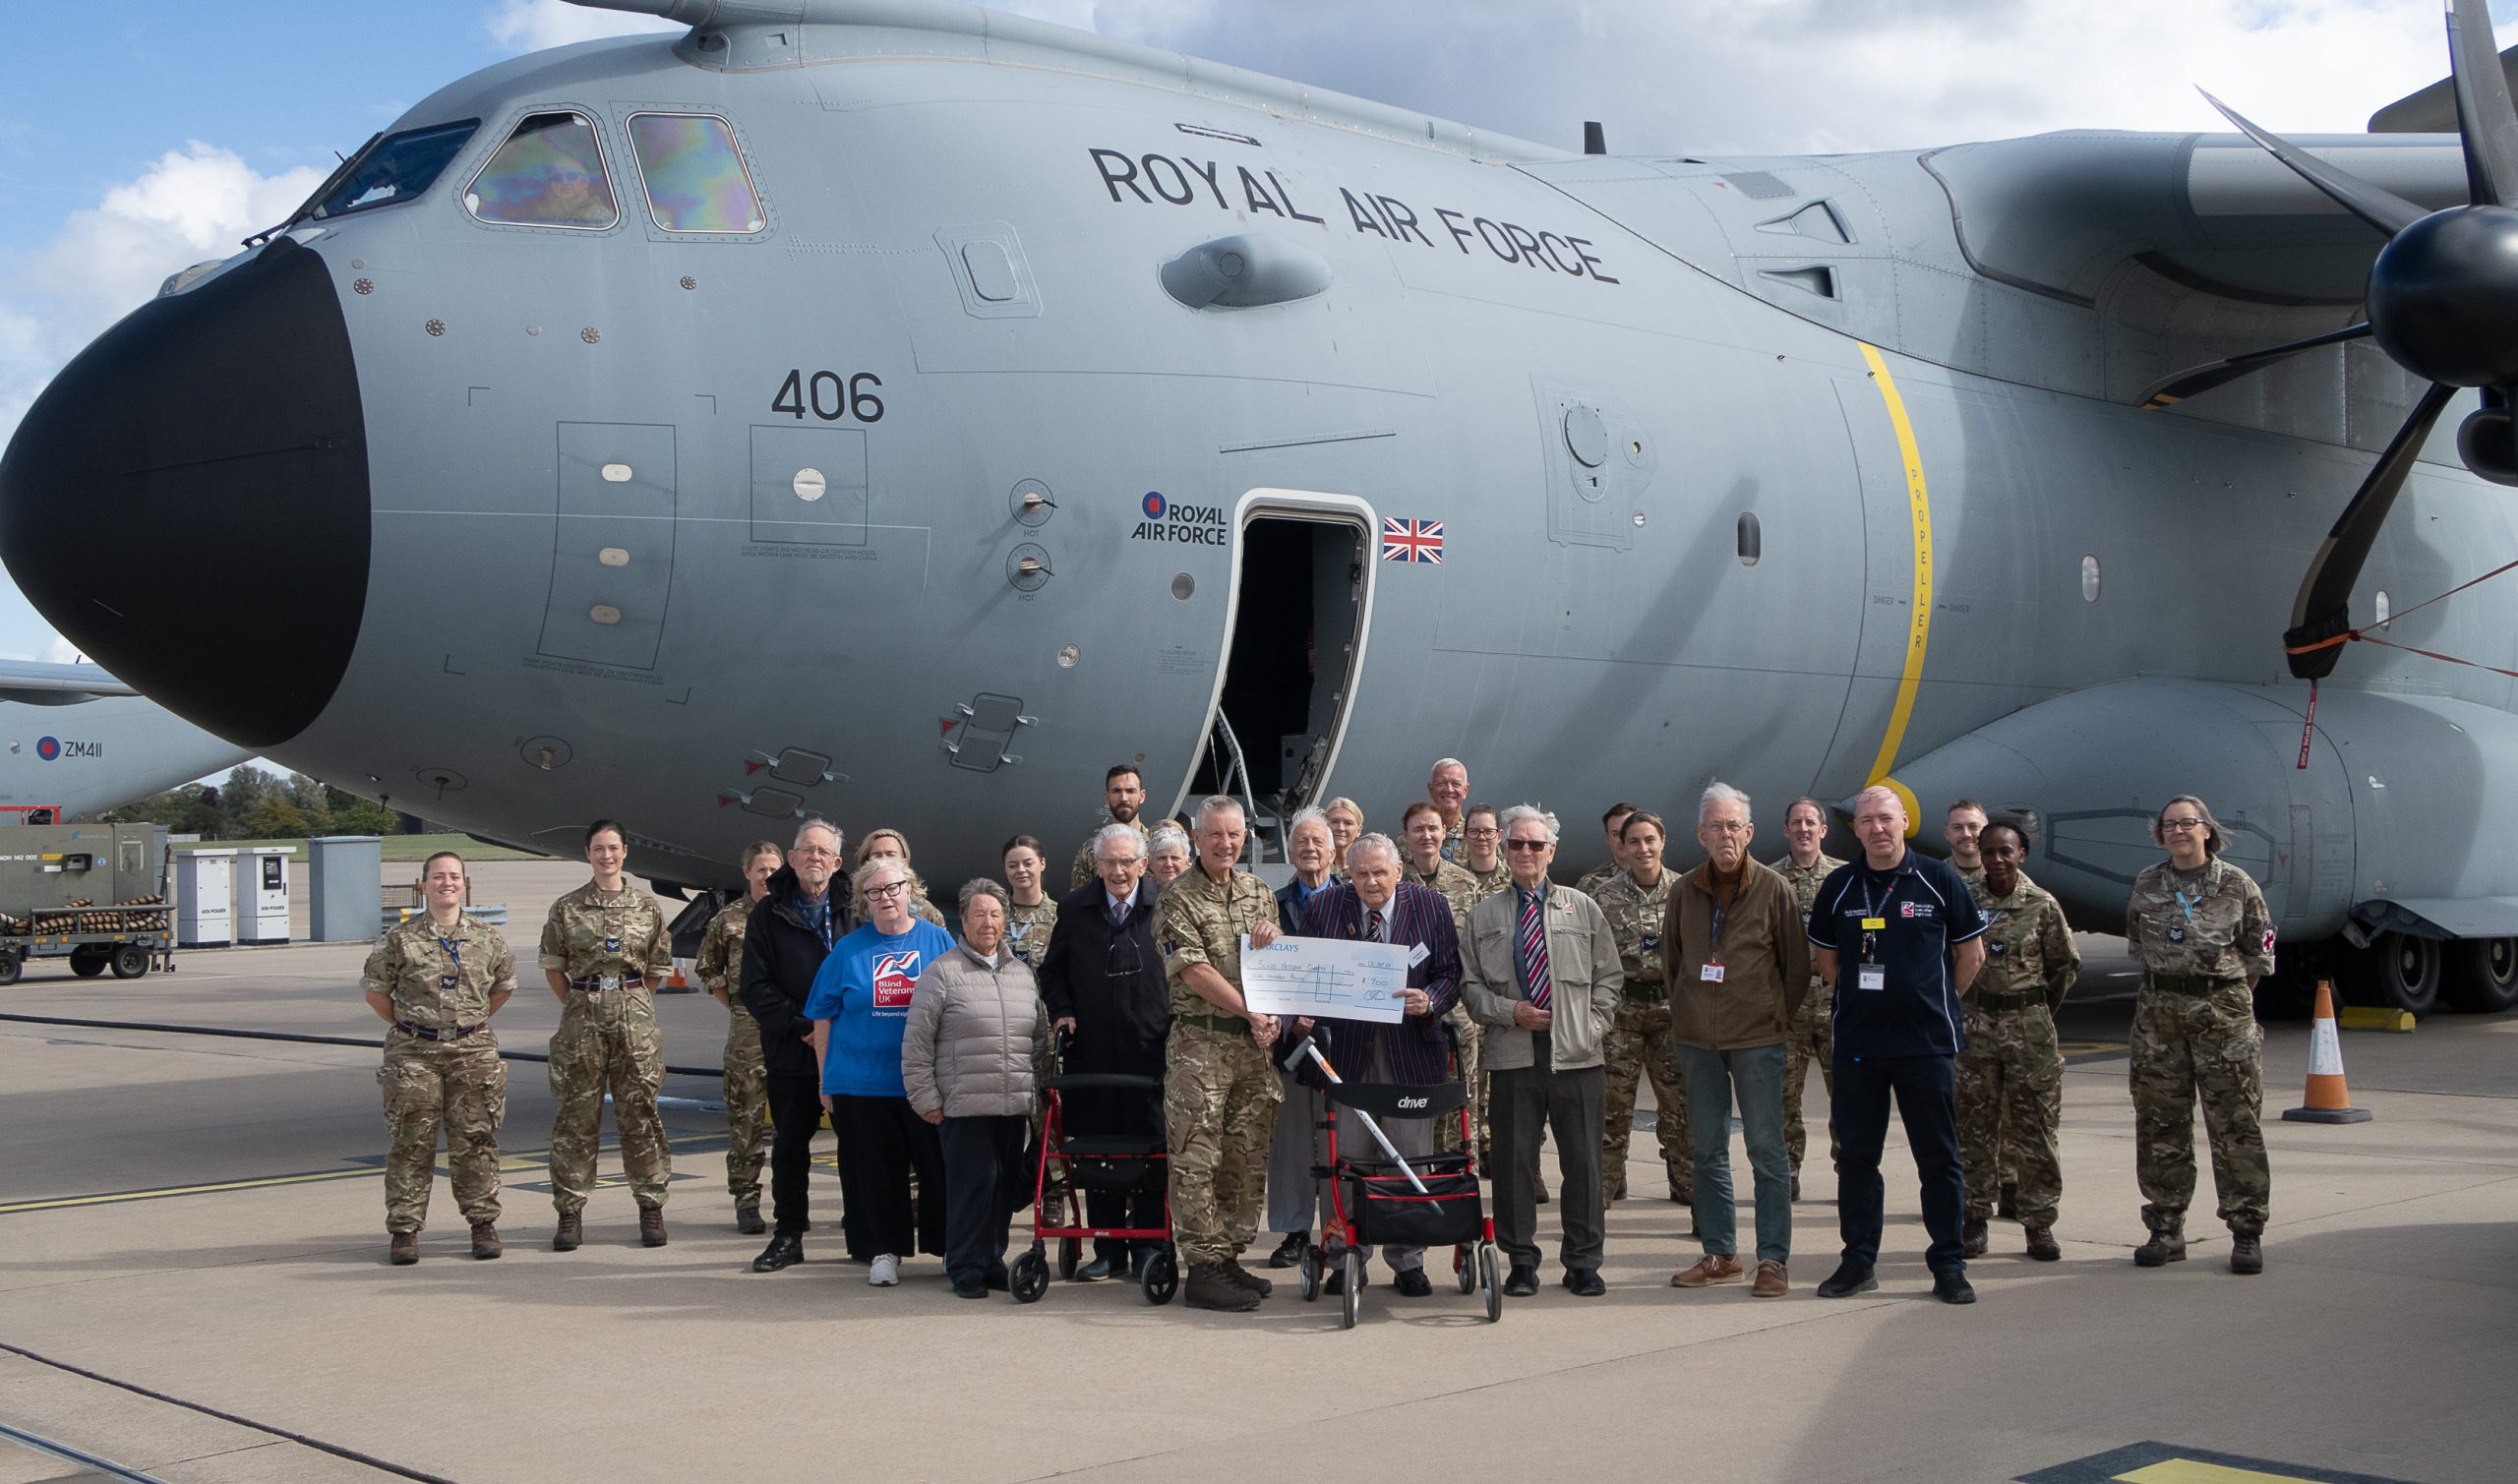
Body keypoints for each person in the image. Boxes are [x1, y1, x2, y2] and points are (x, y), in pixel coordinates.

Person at [1807, 786, 1988, 1304]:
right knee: (1857, 1159)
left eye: (1886, 818)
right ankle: (1858, 1261)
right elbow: (1827, 960)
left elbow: (1971, 953)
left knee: (1939, 1159)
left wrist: (1937, 1000)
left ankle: (1948, 1264)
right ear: (1856, 829)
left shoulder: (1938, 879)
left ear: (1904, 821)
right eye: (1867, 821)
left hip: (1926, 1045)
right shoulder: (1840, 885)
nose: (1877, 829)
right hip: (1859, 1045)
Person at [1461, 804, 1622, 1297]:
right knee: (1513, 1165)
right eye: (1517, 843)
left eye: (1536, 844)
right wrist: (1511, 1011)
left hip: (1576, 1056)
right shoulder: (1483, 915)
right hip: (1514, 1055)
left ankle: (1583, 1262)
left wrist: (1590, 1028)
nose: (1526, 852)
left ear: (1551, 851)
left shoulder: (1582, 907)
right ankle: (1521, 1262)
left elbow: (1609, 977)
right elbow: (1470, 986)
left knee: (1584, 1163)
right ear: (1505, 849)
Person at [1293, 833, 1463, 1296]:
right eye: (1361, 874)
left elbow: (1451, 973)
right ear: (1347, 873)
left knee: (1407, 1157)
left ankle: (1408, 1260)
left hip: (1410, 1051)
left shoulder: (1430, 906)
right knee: (1347, 1159)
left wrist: (1430, 1000)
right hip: (1346, 1055)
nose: (1370, 883)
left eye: (1379, 873)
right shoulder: (1324, 908)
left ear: (1399, 872)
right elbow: (1305, 972)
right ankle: (1346, 1255)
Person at [1662, 786, 1808, 1299]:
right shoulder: (1684, 891)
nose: (1725, 835)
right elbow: (1673, 962)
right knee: (1707, 1151)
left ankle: (1773, 1259)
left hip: (1756, 1040)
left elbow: (1796, 968)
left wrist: (1769, 1015)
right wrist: (1689, 1010)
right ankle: (1721, 1255)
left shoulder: (1774, 889)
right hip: (1697, 1042)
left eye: (1733, 827)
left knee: (1767, 1150)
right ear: (1701, 835)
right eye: (1715, 827)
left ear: (1749, 833)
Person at [2124, 795, 2275, 1276]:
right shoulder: (2147, 883)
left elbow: (2258, 955)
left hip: (2223, 1019)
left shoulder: (2237, 885)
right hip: (2159, 1021)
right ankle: (2166, 1229)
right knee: (2160, 1126)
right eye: (2169, 825)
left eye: (2188, 823)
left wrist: (2219, 998)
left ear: (2207, 830)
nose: (2179, 831)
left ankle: (2246, 1231)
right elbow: (2138, 944)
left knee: (2235, 1125)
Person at [1152, 796, 1288, 1312]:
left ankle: (1227, 1256)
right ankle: (1202, 1267)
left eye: (1234, 834)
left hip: (1252, 1050)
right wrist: (1251, 1012)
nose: (1225, 843)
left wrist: (1277, 943)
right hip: (1201, 1047)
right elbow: (1193, 971)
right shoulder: (1176, 899)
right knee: (1197, 1156)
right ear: (1196, 839)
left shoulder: (1259, 893)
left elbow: (1276, 966)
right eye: (1215, 834)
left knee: (1244, 1155)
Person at [809, 856, 955, 1286]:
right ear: (864, 900)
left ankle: (949, 1248)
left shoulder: (938, 940)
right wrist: (825, 1078)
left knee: (939, 1169)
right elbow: (822, 1016)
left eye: (893, 888)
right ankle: (884, 1252)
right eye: (874, 892)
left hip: (924, 1083)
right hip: (862, 1084)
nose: (886, 898)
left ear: (910, 890)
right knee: (877, 1173)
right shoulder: (847, 950)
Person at [363, 851, 513, 1265]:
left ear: (465, 884)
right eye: (438, 877)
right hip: (414, 1052)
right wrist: (414, 1027)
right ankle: (405, 1230)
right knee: (411, 1141)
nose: (447, 883)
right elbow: (376, 992)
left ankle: (482, 1223)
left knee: (476, 1139)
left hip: (472, 1050)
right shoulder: (399, 940)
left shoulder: (487, 938)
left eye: (454, 876)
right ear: (423, 885)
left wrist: (466, 1024)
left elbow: (503, 987)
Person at [901, 879, 1050, 1299]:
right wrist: (925, 1098)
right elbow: (916, 1044)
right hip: (963, 1105)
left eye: (996, 914)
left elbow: (1038, 1038)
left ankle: (991, 1259)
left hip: (1012, 1103)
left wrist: (1035, 1090)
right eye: (979, 914)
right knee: (972, 1187)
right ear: (963, 921)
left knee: (1003, 1186)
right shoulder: (942, 973)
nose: (988, 922)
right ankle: (964, 1265)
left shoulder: (1022, 974)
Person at [1039, 823, 1172, 1280]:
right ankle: (1108, 1248)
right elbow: (1052, 972)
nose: (1118, 871)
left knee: (1151, 1150)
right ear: (1096, 865)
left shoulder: (1166, 904)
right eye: (1109, 862)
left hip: (1151, 1051)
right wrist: (1063, 1012)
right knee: (1098, 1151)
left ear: (1143, 864)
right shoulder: (1075, 908)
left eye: (1127, 862)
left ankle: (1151, 1245)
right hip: (1092, 1053)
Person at [540, 819, 676, 1252]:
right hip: (583, 1016)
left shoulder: (646, 906)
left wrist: (631, 1001)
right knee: (576, 1117)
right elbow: (553, 966)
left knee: (641, 1113)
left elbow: (656, 969)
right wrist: (580, 1002)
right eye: (598, 848)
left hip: (634, 1016)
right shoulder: (567, 907)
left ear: (625, 852)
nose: (606, 856)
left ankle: (650, 1205)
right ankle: (570, 1211)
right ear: (588, 854)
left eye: (613, 848)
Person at [1960, 819, 2079, 1262]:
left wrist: (2031, 1009)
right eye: (1988, 851)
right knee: (1973, 1127)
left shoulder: (2042, 905)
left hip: (2028, 1027)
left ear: (2021, 854)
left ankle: (2038, 1223)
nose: (1996, 860)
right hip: (1975, 1025)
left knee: (2036, 1129)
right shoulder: (1965, 900)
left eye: (2005, 851)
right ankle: (1973, 1219)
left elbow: (2063, 967)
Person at [738, 818, 851, 1271]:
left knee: (858, 1145)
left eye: (823, 852)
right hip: (791, 1049)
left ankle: (864, 1231)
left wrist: (835, 1028)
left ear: (837, 862)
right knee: (790, 1147)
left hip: (848, 1049)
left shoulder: (855, 907)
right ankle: (788, 1235)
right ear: (791, 858)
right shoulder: (768, 912)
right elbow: (755, 986)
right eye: (807, 850)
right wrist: (803, 1026)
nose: (814, 858)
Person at [1593, 809, 1691, 1208]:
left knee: (1680, 1107)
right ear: (1622, 845)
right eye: (1633, 841)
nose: (1642, 848)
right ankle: (1603, 1190)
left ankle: (1687, 1185)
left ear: (1662, 841)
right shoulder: (1604, 897)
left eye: (1650, 840)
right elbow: (1592, 958)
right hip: (1623, 1014)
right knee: (1612, 1108)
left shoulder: (1685, 891)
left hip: (1672, 1013)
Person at [1263, 808, 1340, 1268]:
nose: (1310, 849)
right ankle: (1294, 1231)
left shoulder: (1354, 901)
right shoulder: (1271, 906)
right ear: (1290, 853)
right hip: (1290, 1044)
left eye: (1318, 842)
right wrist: (1292, 1019)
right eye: (1301, 843)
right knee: (1290, 1143)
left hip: (1342, 1045)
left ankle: (1337, 1228)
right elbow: (1261, 975)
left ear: (1333, 851)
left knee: (1338, 1141)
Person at [695, 840, 780, 1236]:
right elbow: (709, 968)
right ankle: (746, 1200)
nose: (767, 877)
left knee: (792, 1120)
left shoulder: (794, 913)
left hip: (790, 1023)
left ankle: (790, 1201)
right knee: (746, 1117)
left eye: (774, 870)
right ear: (747, 873)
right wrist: (739, 1007)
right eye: (760, 869)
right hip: (748, 1024)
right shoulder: (728, 919)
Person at [1401, 801, 1486, 1158]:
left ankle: (1460, 1170)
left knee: (1462, 1098)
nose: (1426, 836)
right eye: (1418, 829)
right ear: (1406, 836)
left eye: (1433, 828)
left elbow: (1477, 945)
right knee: (1415, 1098)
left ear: (1444, 833)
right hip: (1408, 1010)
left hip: (1458, 1010)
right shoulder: (1394, 881)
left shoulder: (1465, 882)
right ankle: (1417, 1168)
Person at [1775, 797, 1845, 1201]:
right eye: (1796, 822)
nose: (1803, 829)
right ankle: (1787, 1170)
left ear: (1823, 829)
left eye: (1810, 822)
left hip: (1837, 1002)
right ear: (1786, 830)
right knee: (1784, 1095)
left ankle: (1849, 1168)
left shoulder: (1845, 877)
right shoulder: (1769, 879)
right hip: (1790, 1004)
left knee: (1848, 1094)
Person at [1070, 764, 1151, 890]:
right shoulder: (1090, 851)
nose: (1124, 798)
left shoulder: (1158, 848)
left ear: (1142, 796)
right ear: (1107, 797)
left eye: (1130, 791)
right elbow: (1078, 898)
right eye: (1116, 791)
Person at [857, 827, 948, 927]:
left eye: (891, 855)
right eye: (877, 856)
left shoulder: (927, 912)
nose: (884, 860)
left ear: (904, 861)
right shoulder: (852, 913)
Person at [1001, 835, 1059, 970]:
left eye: (1028, 864)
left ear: (1042, 864)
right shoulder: (995, 914)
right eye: (1013, 865)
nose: (1021, 870)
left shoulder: (1060, 915)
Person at [1575, 802, 1639, 897]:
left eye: (1629, 831)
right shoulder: (1590, 884)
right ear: (1607, 838)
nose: (1623, 839)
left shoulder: (1662, 878)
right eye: (1616, 834)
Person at [1461, 802, 1512, 897]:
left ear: (1499, 836)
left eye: (1488, 831)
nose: (1481, 837)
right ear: (1465, 835)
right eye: (1474, 831)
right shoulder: (1452, 879)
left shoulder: (1514, 880)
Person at [1426, 757, 1470, 861]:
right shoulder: (1412, 838)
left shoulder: (1477, 836)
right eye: (1441, 783)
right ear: (1431, 790)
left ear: (1465, 791)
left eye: (1456, 784)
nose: (1449, 789)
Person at [1945, 800, 1989, 886]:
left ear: (1987, 831)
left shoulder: (2008, 876)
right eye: (1957, 827)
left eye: (1974, 826)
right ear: (1947, 833)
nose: (1966, 834)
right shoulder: (1932, 876)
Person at [1145, 824, 1192, 891]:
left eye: (1175, 858)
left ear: (1187, 862)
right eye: (1162, 858)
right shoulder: (1141, 894)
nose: (1169, 864)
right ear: (1150, 863)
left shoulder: (1202, 893)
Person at [1321, 797, 1364, 865]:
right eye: (1334, 821)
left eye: (1348, 823)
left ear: (1358, 830)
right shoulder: (1313, 862)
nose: (1340, 828)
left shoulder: (1365, 866)